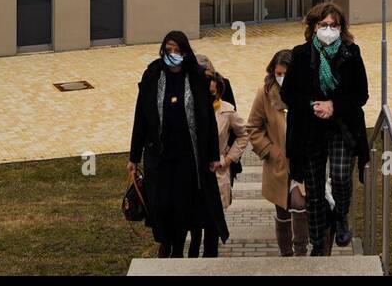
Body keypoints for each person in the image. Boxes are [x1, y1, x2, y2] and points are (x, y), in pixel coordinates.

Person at [128, 31, 229, 258]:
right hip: (160, 157)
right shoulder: (153, 75)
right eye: (168, 50)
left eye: (176, 50)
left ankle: (179, 248)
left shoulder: (197, 77)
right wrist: (133, 158)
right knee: (162, 205)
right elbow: (141, 118)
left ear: (184, 52)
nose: (172, 55)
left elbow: (207, 120)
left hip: (188, 158)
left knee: (184, 205)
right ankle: (167, 243)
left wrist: (213, 155)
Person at [280, 1, 369, 255]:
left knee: (341, 176)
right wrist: (312, 105)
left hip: (341, 127)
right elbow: (288, 93)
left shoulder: (352, 53)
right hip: (309, 131)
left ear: (341, 28)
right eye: (324, 25)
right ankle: (318, 241)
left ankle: (341, 216)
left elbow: (361, 94)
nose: (328, 29)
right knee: (315, 191)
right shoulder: (299, 54)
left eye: (334, 25)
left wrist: (334, 105)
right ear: (314, 26)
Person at [247, 48, 308, 256]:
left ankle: (300, 253)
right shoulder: (265, 93)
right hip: (279, 165)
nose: (281, 78)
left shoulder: (306, 89)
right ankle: (286, 255)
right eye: (277, 74)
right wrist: (270, 150)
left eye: (285, 74)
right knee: (282, 209)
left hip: (303, 162)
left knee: (299, 203)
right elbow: (253, 128)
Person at [187, 68, 247, 257]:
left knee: (213, 226)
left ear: (219, 92)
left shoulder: (227, 111)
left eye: (212, 93)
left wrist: (228, 159)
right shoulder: (190, 109)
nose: (208, 97)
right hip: (195, 174)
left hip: (217, 174)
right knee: (195, 227)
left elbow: (244, 135)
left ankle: (210, 261)